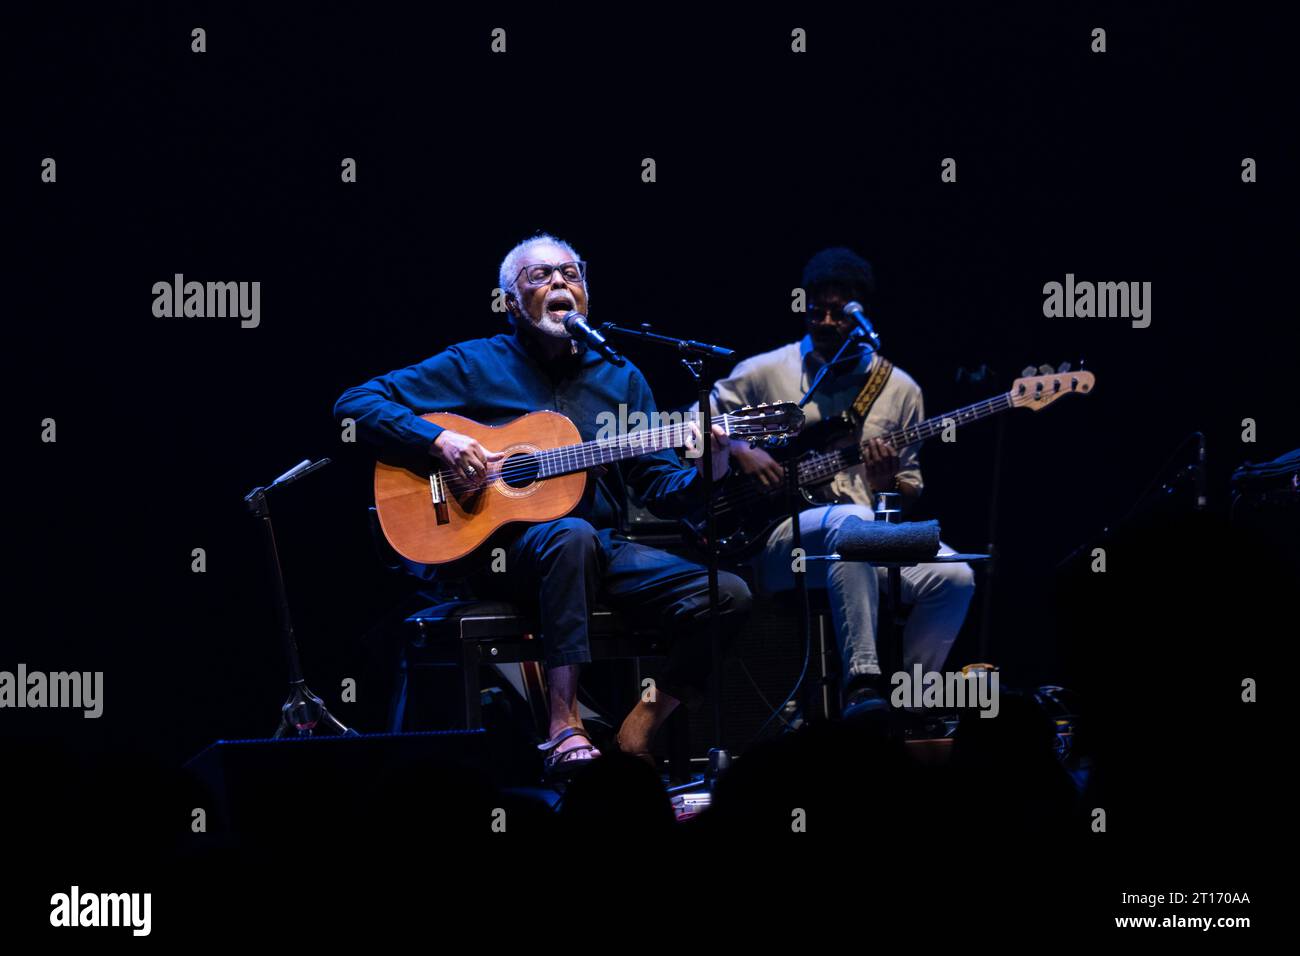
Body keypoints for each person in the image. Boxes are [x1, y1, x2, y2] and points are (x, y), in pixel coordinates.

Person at [335, 233, 751, 778]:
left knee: (729, 595)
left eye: (572, 274)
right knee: (567, 536)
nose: (560, 282)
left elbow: (659, 488)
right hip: (495, 555)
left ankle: (641, 726)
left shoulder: (622, 376)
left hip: (598, 551)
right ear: (511, 301)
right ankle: (563, 725)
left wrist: (709, 469)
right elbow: (356, 402)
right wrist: (439, 442)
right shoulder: (474, 363)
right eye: (541, 276)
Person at [711, 247, 974, 717]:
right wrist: (741, 448)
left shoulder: (901, 389)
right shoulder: (765, 372)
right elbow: (700, 420)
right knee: (852, 522)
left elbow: (908, 490)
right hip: (778, 541)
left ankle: (910, 704)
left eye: (840, 312)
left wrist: (887, 480)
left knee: (954, 576)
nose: (827, 321)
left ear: (862, 315)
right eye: (818, 310)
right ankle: (863, 686)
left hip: (865, 538)